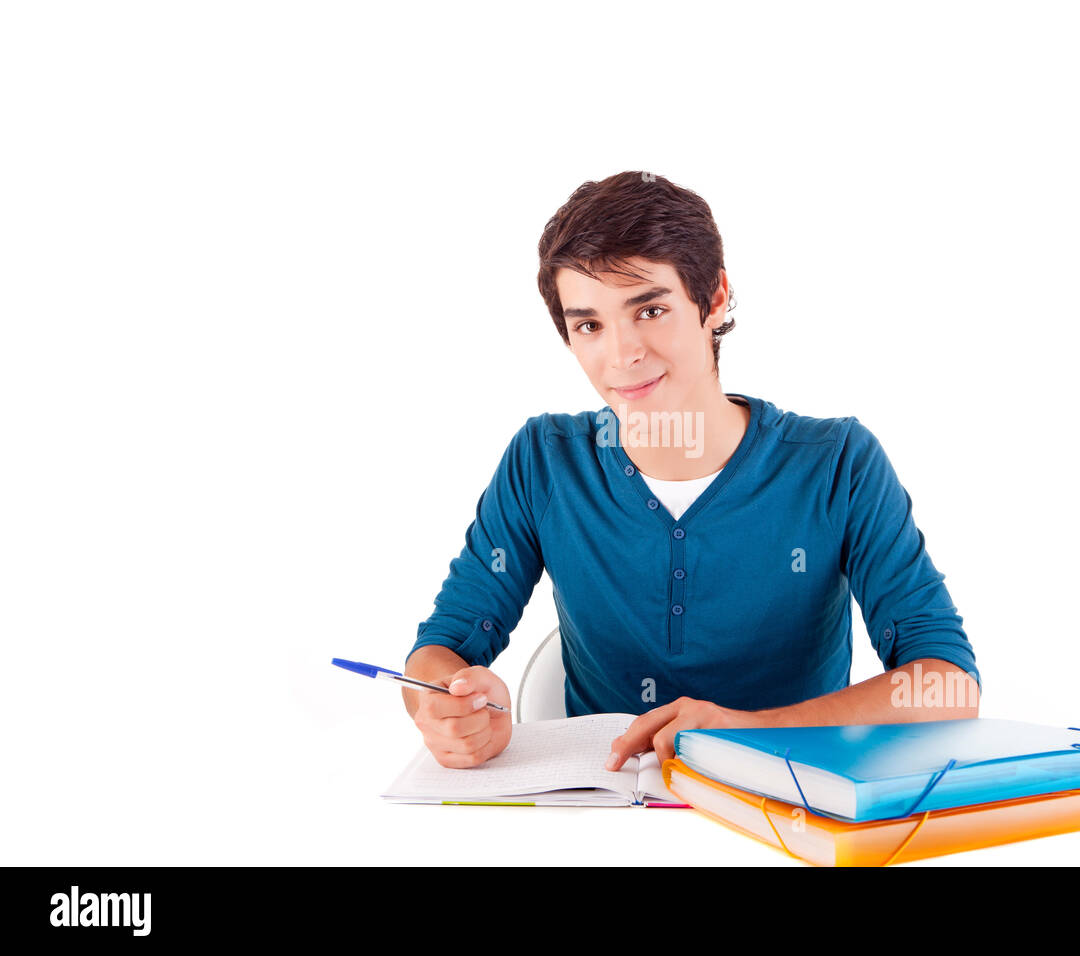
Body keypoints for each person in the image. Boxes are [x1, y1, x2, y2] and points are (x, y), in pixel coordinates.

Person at [402, 171, 980, 771]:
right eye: (589, 325)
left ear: (716, 297)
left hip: (794, 809)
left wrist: (748, 730)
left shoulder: (837, 463)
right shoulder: (544, 459)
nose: (622, 354)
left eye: (650, 310)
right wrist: (447, 703)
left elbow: (950, 684)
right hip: (603, 815)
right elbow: (438, 650)